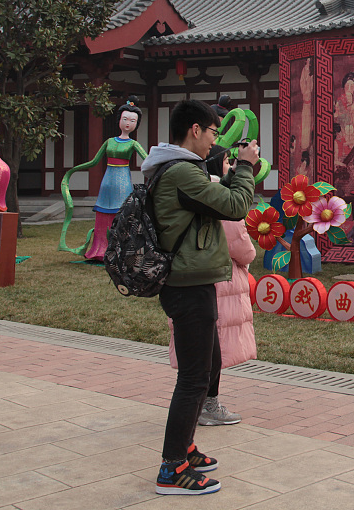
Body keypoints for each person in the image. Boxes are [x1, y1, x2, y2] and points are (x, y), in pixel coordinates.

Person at [142, 99, 259, 496]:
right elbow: (235, 205)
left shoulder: (178, 171)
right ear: (195, 129)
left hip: (196, 281)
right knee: (194, 378)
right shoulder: (180, 172)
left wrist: (233, 173)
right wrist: (245, 167)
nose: (214, 141)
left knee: (207, 366)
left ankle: (186, 447)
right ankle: (171, 469)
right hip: (187, 286)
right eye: (212, 132)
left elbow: (212, 201)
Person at [166, 145, 256, 427]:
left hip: (191, 279)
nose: (229, 166)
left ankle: (201, 407)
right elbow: (239, 244)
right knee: (212, 351)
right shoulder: (216, 193)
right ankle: (207, 405)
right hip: (218, 283)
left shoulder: (186, 186)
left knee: (204, 350)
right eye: (227, 161)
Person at [59, 98, 148, 260]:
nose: (128, 123)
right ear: (119, 120)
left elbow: (147, 160)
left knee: (123, 211)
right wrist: (73, 171)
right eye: (125, 119)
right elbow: (94, 161)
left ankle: (123, 248)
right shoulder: (109, 142)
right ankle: (100, 248)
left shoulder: (133, 144)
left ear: (137, 124)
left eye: (132, 121)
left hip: (123, 182)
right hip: (107, 181)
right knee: (104, 210)